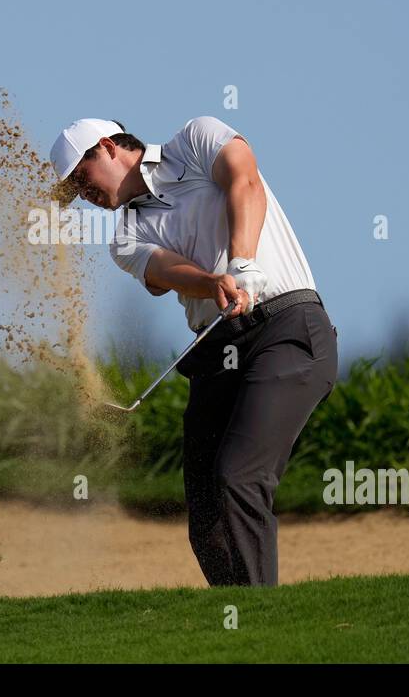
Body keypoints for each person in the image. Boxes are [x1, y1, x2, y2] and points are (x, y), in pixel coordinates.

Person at [49, 116, 339, 586]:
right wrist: (213, 282)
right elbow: (167, 271)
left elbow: (243, 180)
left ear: (106, 147)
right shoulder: (124, 239)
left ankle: (259, 626)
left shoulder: (196, 139)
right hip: (218, 352)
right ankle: (234, 628)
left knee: (239, 477)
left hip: (286, 329)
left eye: (80, 177)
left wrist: (242, 261)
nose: (82, 194)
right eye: (71, 192)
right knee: (205, 508)